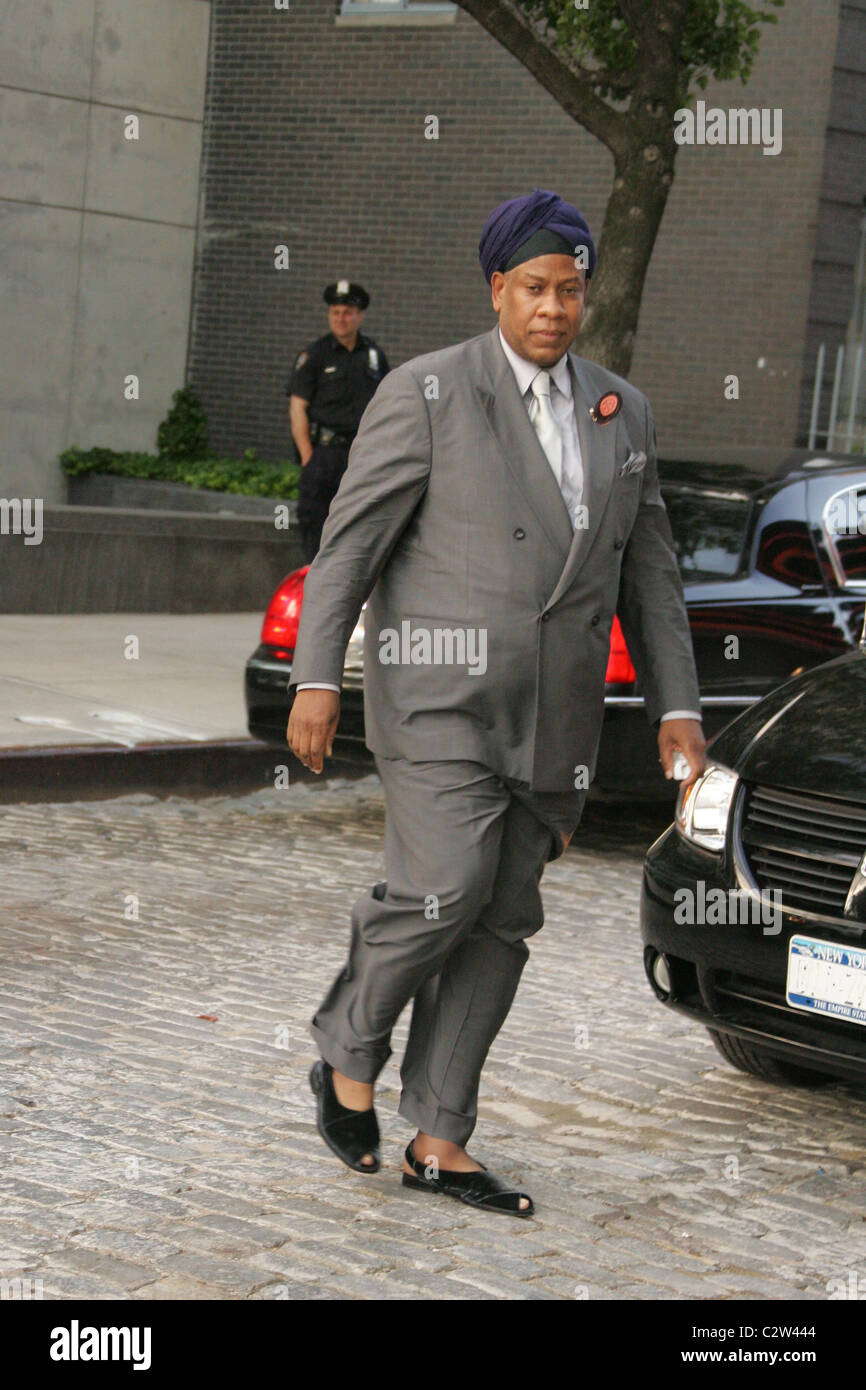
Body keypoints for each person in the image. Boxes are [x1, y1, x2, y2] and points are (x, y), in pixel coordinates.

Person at [287, 189, 706, 1218]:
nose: (552, 308)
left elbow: (648, 575)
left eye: (568, 289)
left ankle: (438, 1136)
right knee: (445, 883)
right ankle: (347, 1043)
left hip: (554, 718)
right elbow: (350, 547)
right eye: (532, 288)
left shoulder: (621, 411)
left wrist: (677, 705)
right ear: (496, 290)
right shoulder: (428, 393)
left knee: (499, 918)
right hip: (437, 698)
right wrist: (312, 675)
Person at [287, 281, 390, 561]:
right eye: (335, 312)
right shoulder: (314, 356)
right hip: (323, 457)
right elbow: (297, 408)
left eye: (347, 312)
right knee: (316, 531)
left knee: (358, 532)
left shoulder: (373, 356)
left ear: (359, 316)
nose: (341, 318)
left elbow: (385, 405)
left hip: (360, 458)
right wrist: (309, 458)